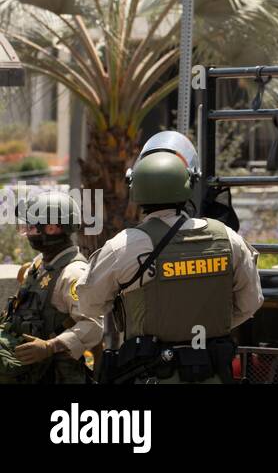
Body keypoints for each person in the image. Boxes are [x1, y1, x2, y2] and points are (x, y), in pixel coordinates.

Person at [77, 131, 263, 383]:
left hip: (151, 375)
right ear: (187, 185)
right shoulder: (228, 238)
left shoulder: (123, 246)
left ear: (136, 189)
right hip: (214, 374)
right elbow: (250, 303)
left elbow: (89, 304)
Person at [0, 190, 102, 384]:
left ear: (53, 228)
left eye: (31, 227)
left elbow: (93, 326)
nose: (27, 232)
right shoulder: (40, 264)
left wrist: (49, 346)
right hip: (26, 372)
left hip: (55, 375)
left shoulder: (74, 273)